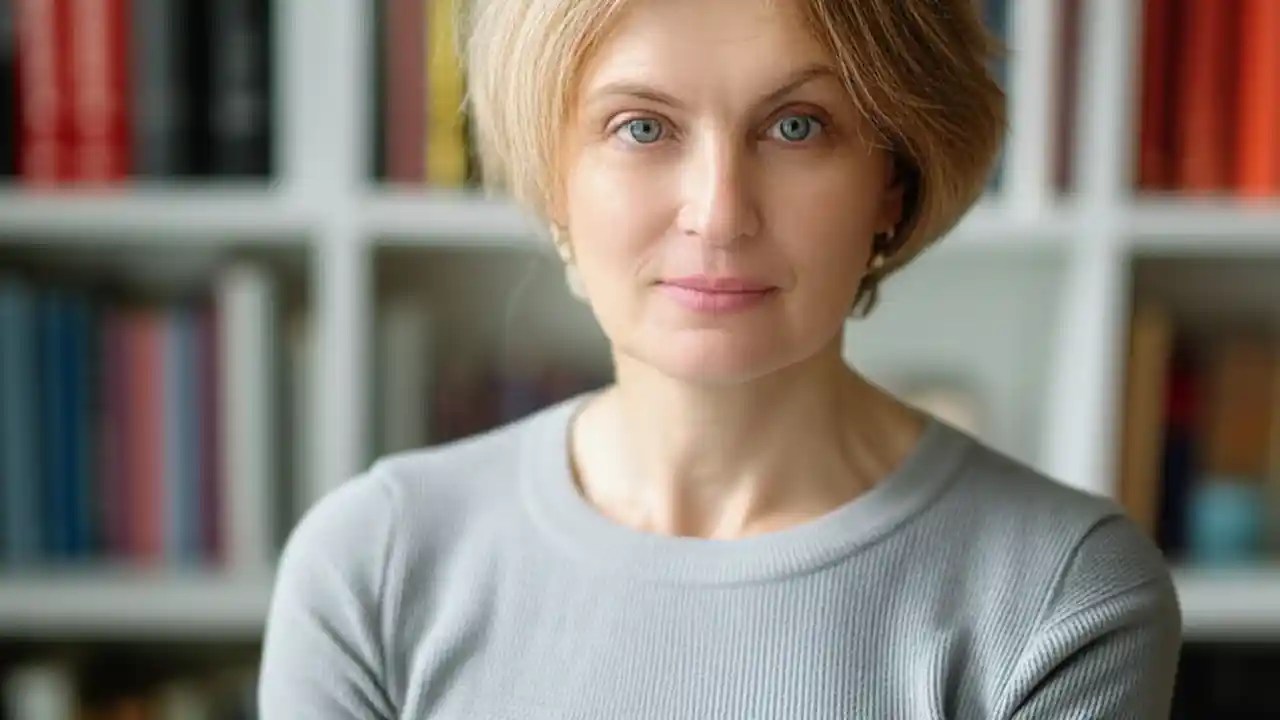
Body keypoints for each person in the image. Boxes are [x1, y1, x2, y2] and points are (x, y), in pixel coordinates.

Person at [259, 0, 1182, 716]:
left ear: (889, 186)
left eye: (796, 127)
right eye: (642, 128)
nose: (719, 211)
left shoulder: (1062, 596)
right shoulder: (371, 565)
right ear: (556, 185)